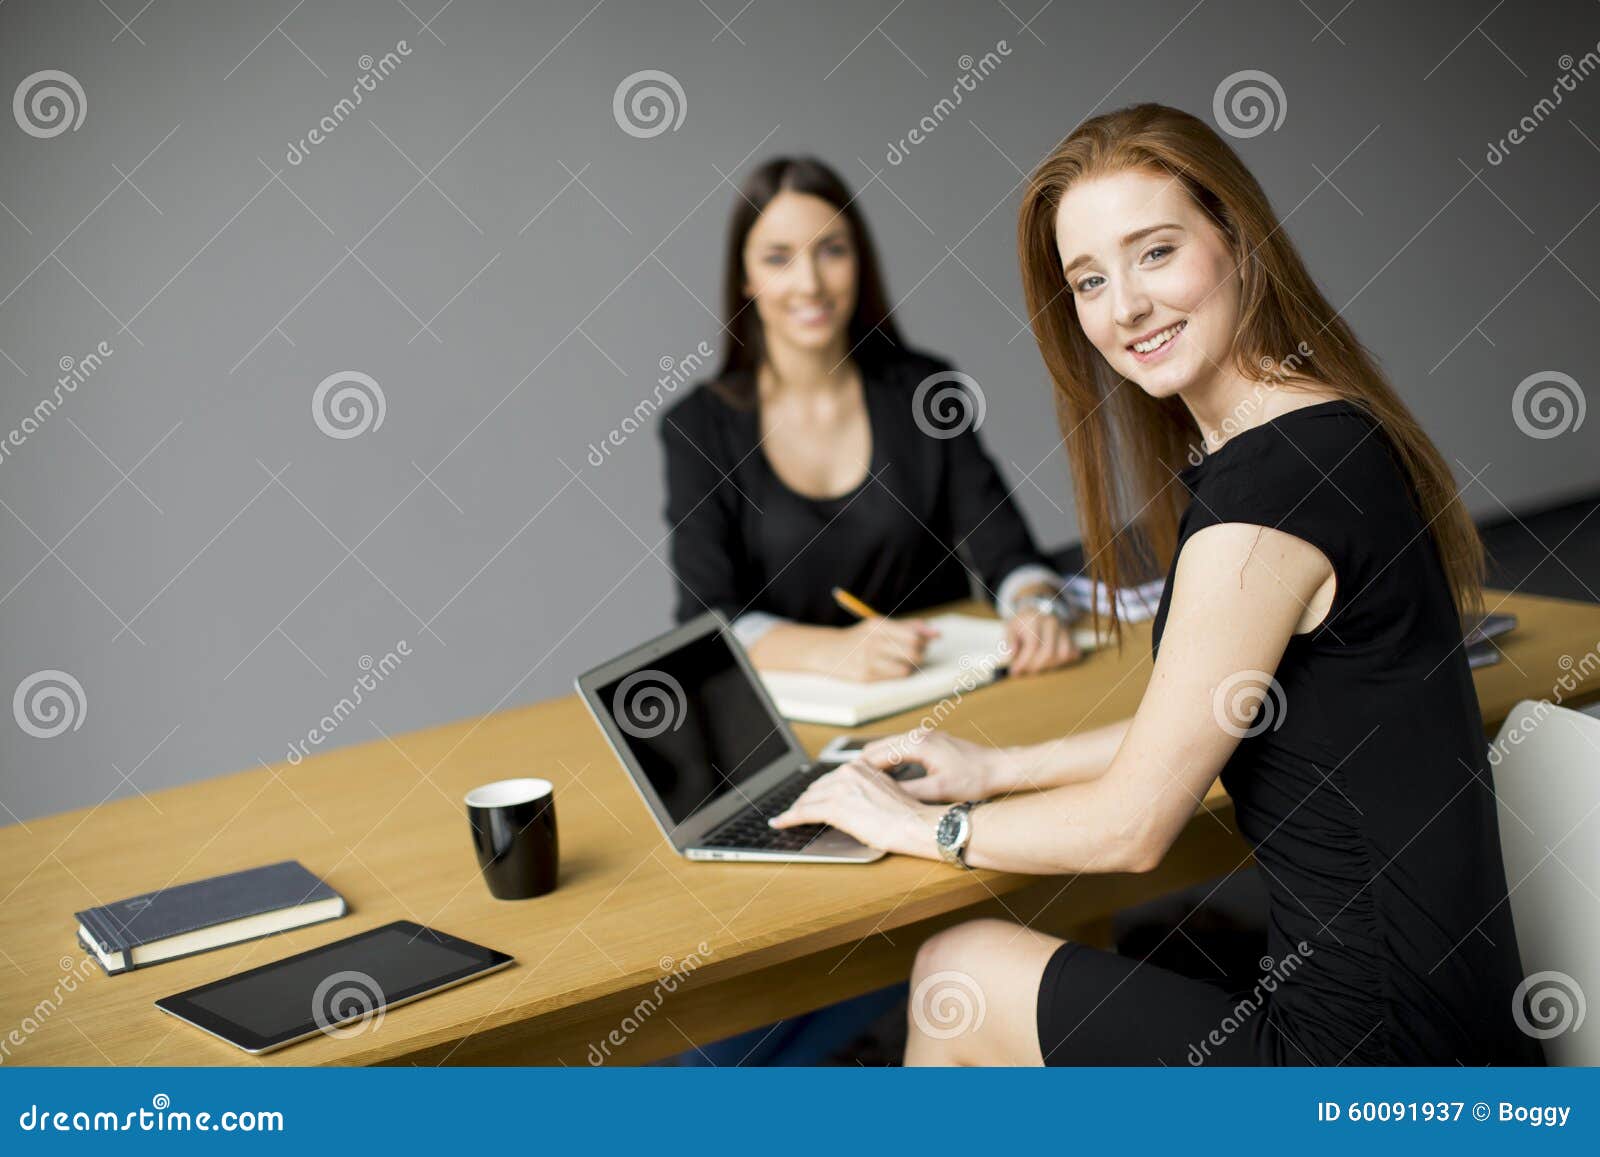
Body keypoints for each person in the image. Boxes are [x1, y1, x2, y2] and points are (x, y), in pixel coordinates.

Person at [770, 103, 1545, 1067]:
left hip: (1371, 1068)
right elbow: (1219, 720)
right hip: (1452, 1029)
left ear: (1239, 242)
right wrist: (1000, 768)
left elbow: (1136, 825)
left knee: (956, 974)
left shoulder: (1270, 497)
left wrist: (922, 824)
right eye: (1089, 280)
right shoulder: (1329, 430)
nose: (1124, 306)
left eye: (1155, 252)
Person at [660, 156, 1080, 684]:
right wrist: (830, 652)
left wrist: (1036, 605)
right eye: (778, 258)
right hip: (804, 719)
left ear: (861, 262)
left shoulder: (925, 391)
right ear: (744, 278)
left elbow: (1011, 555)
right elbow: (706, 622)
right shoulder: (698, 427)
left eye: (831, 251)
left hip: (940, 691)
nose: (810, 282)